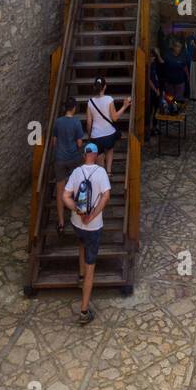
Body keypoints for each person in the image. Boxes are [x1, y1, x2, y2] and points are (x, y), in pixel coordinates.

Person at [62, 143, 111, 324]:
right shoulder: (101, 173)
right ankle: (84, 311)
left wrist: (78, 211)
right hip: (93, 226)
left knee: (81, 242)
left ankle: (80, 274)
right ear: (97, 155)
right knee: (92, 266)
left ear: (84, 155)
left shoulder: (76, 173)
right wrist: (92, 215)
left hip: (77, 223)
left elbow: (64, 197)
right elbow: (106, 196)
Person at [86, 76, 131, 177]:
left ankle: (102, 176)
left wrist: (90, 135)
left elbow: (89, 122)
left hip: (96, 136)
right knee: (110, 149)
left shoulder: (90, 102)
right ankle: (109, 171)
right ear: (105, 87)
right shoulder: (109, 99)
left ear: (94, 87)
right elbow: (114, 118)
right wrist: (124, 106)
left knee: (100, 156)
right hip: (109, 134)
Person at [52, 96, 85, 233]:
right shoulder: (77, 123)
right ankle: (77, 216)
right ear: (74, 108)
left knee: (60, 191)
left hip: (59, 159)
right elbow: (79, 143)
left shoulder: (58, 122)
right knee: (76, 188)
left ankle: (60, 222)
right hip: (73, 159)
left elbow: (54, 142)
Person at [147, 48, 163, 137]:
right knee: (150, 111)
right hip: (152, 92)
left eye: (154, 57)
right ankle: (149, 128)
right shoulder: (149, 66)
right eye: (152, 57)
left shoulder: (154, 64)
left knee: (156, 110)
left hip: (157, 90)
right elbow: (149, 79)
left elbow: (162, 62)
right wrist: (155, 89)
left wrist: (158, 53)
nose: (153, 58)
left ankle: (154, 127)